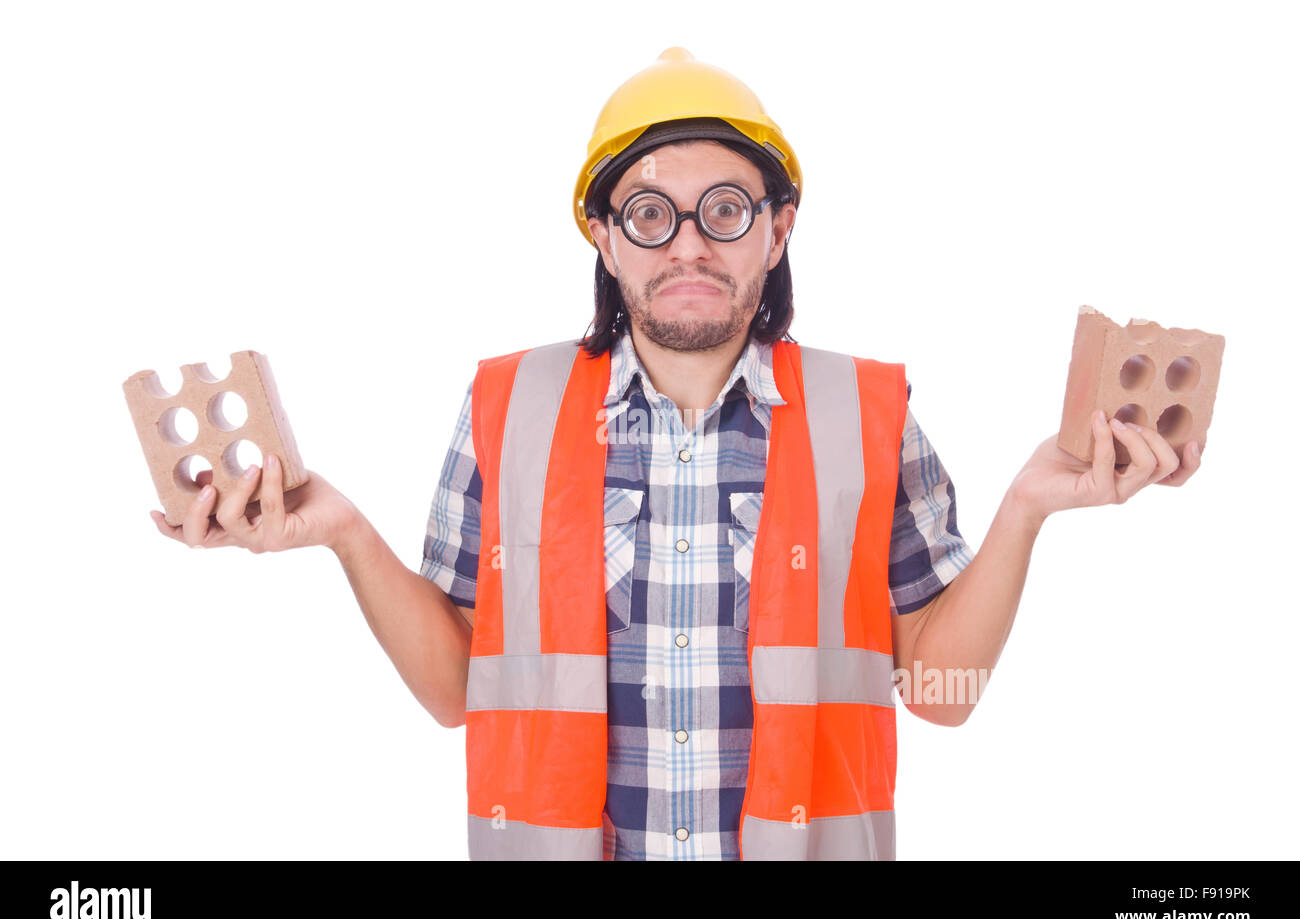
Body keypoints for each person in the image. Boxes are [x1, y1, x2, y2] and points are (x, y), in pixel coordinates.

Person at [150, 48, 1203, 861]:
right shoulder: (505, 407)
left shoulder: (866, 411)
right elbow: (454, 691)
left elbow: (940, 691)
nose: (688, 244)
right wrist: (339, 529)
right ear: (604, 238)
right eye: (649, 213)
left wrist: (1024, 510)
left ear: (775, 231)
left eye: (725, 210)